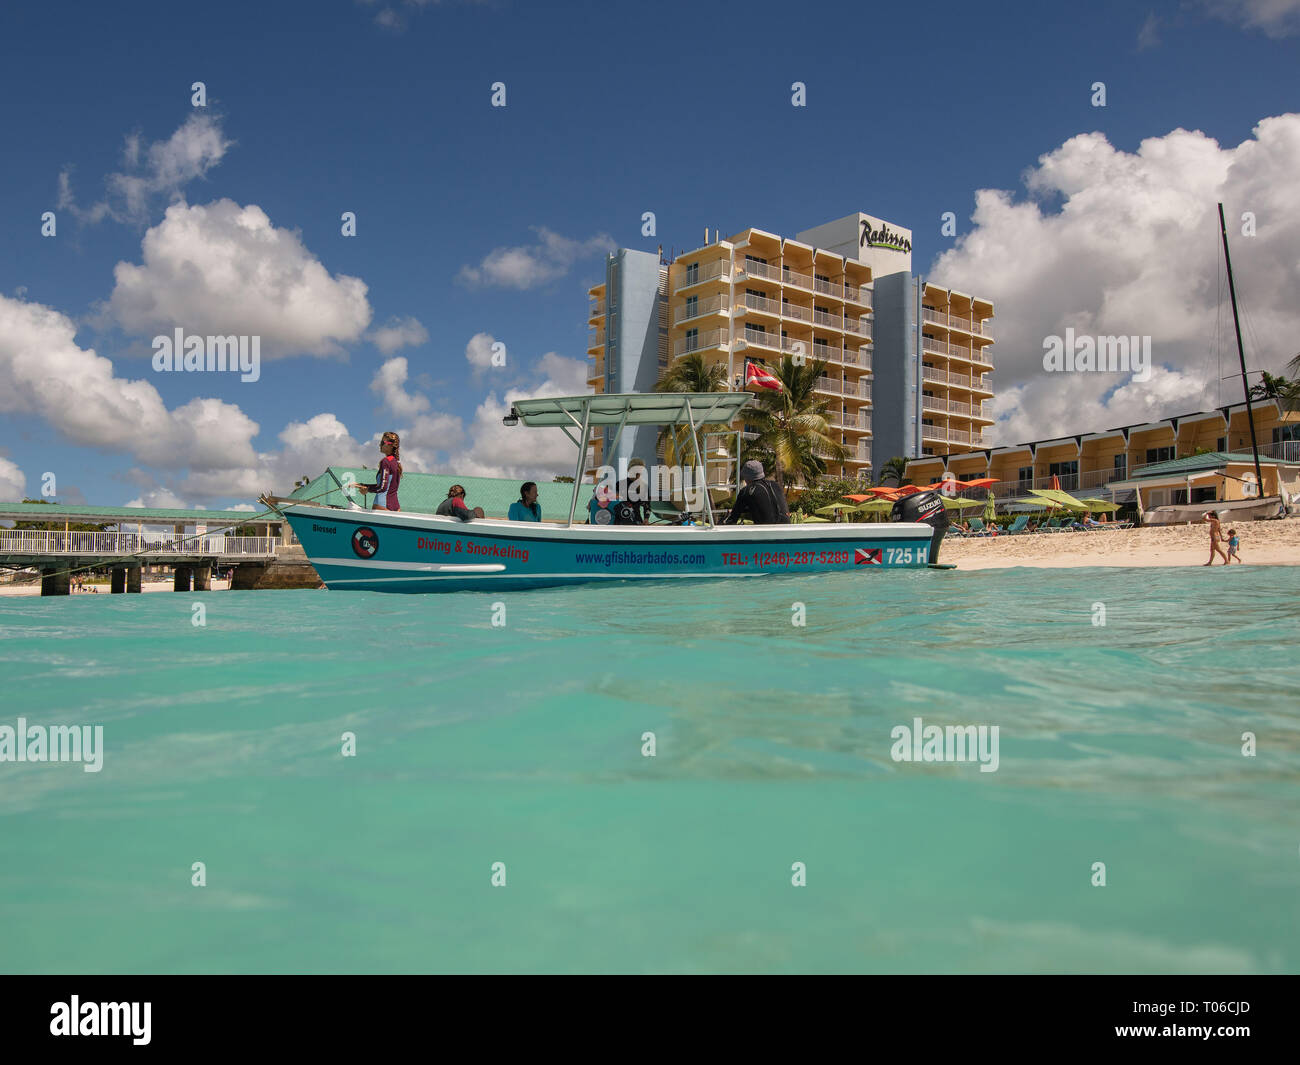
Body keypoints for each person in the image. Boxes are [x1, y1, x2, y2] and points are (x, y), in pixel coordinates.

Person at [724, 460, 790, 525]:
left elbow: (732, 519)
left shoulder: (746, 491)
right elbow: (769, 507)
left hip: (766, 531)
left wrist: (727, 517)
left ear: (747, 477)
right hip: (787, 528)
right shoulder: (776, 485)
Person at [356, 431, 402, 512]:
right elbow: (386, 486)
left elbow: (382, 488)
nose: (380, 445)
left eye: (382, 442)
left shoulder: (386, 461)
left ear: (390, 445)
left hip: (382, 504)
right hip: (396, 506)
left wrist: (367, 489)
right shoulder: (396, 462)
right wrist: (362, 485)